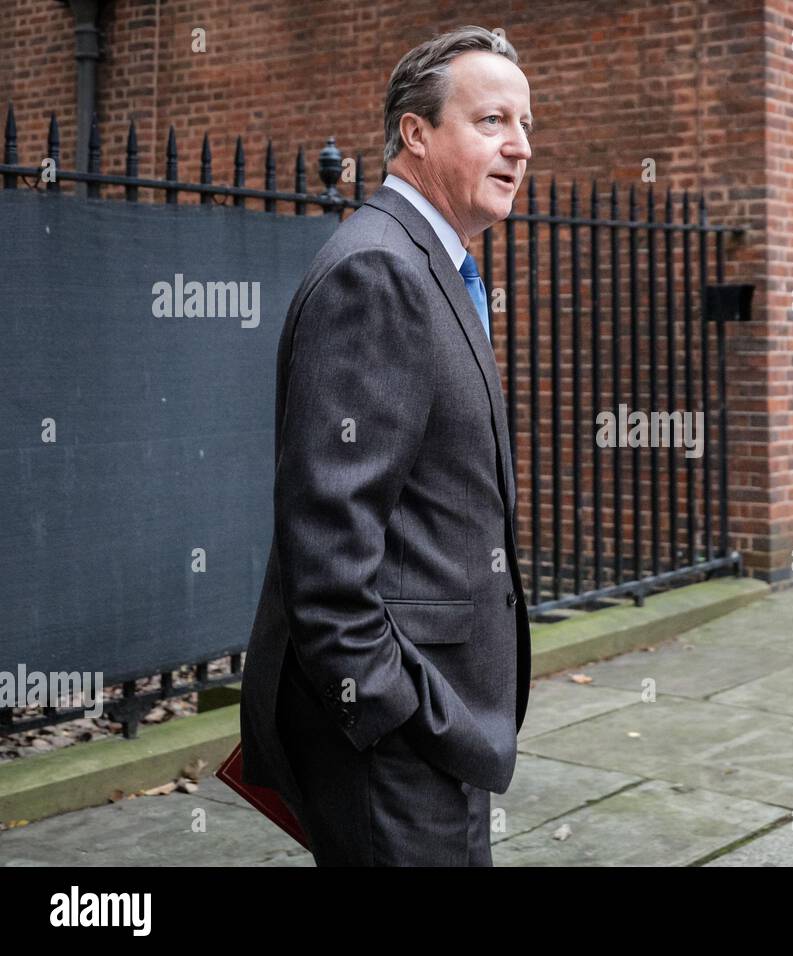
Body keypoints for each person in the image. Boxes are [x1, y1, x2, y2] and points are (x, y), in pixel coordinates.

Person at [238, 25, 534, 866]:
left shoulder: (434, 264)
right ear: (416, 132)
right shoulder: (379, 272)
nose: (518, 146)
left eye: (526, 125)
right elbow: (326, 548)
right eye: (490, 121)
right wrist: (394, 714)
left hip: (444, 727)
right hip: (398, 740)